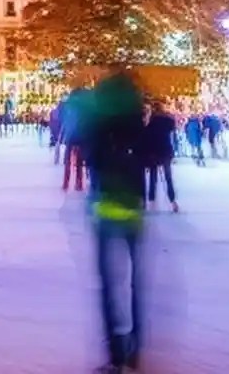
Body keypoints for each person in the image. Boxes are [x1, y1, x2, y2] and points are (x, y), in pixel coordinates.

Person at [79, 72, 149, 374]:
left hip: (107, 206)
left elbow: (91, 158)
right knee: (135, 283)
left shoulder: (99, 124)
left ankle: (116, 354)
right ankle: (135, 348)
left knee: (110, 285)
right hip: (133, 206)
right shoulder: (136, 121)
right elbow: (148, 156)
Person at [143, 101, 178, 212]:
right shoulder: (167, 120)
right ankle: (173, 201)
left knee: (153, 178)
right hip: (166, 151)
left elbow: (147, 137)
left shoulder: (150, 122)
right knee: (168, 177)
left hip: (154, 152)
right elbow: (173, 126)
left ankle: (152, 200)